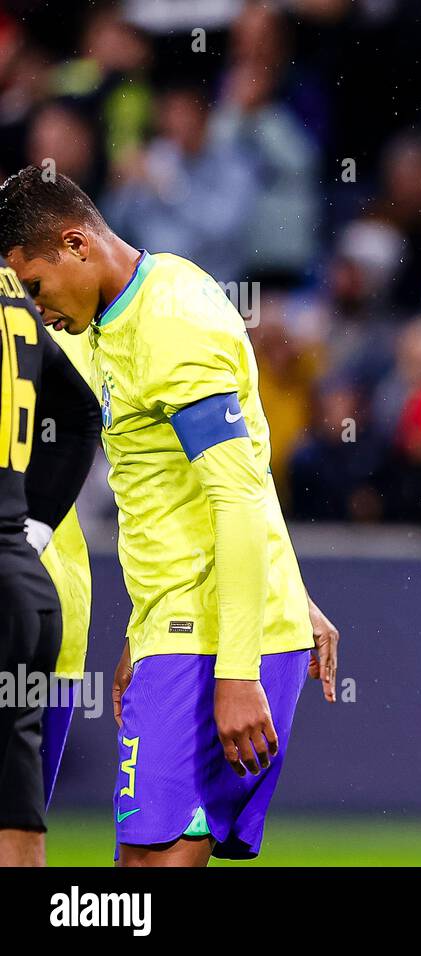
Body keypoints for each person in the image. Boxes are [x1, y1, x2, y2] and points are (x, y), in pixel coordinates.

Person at [0, 167, 340, 866]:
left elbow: (239, 497)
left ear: (75, 244)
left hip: (217, 638)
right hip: (186, 624)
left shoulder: (173, 323)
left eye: (35, 288)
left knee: (147, 874)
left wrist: (239, 670)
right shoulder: (118, 316)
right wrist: (148, 629)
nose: (35, 311)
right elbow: (211, 478)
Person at [0, 253, 99, 866]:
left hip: (37, 584)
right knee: (18, 815)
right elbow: (83, 410)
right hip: (38, 593)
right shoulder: (21, 298)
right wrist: (27, 535)